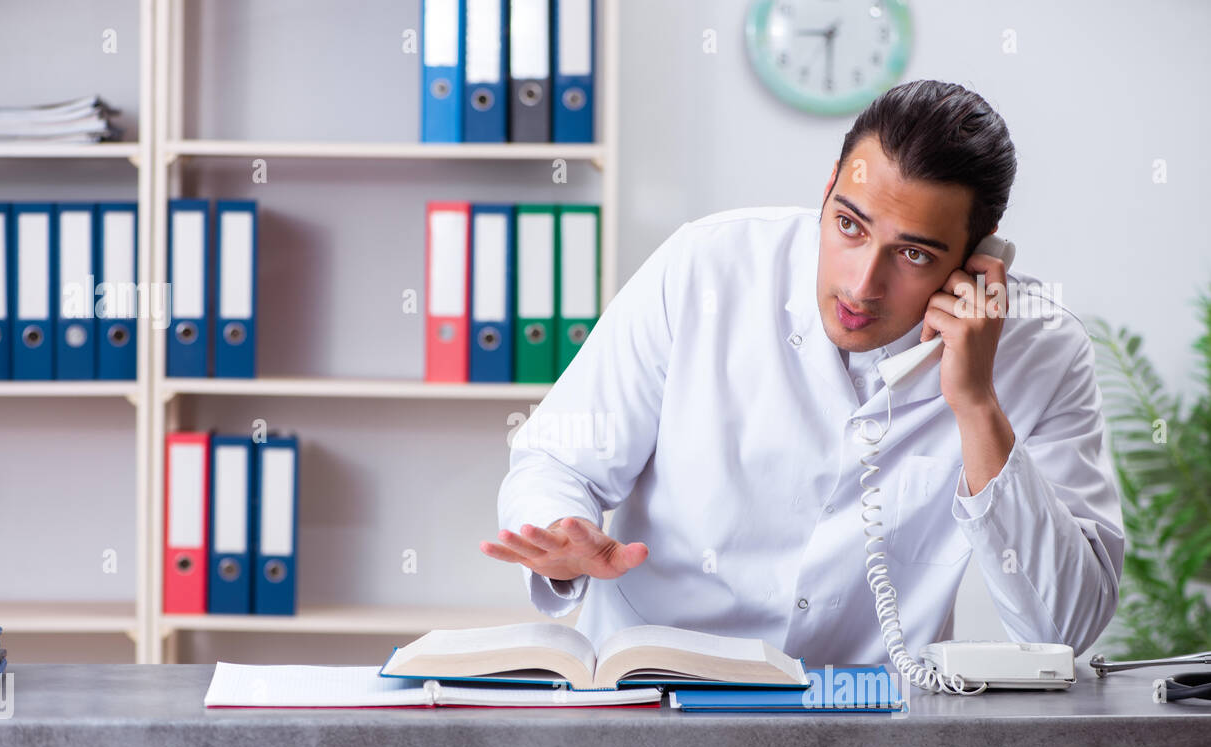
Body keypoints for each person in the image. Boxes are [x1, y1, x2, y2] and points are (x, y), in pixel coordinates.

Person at [480, 79, 1124, 668]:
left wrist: (978, 406)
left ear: (977, 261)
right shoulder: (705, 267)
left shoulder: (1042, 349)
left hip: (868, 732)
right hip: (651, 698)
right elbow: (558, 463)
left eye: (914, 253)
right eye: (849, 224)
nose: (861, 283)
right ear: (825, 193)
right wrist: (562, 530)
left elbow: (1063, 628)